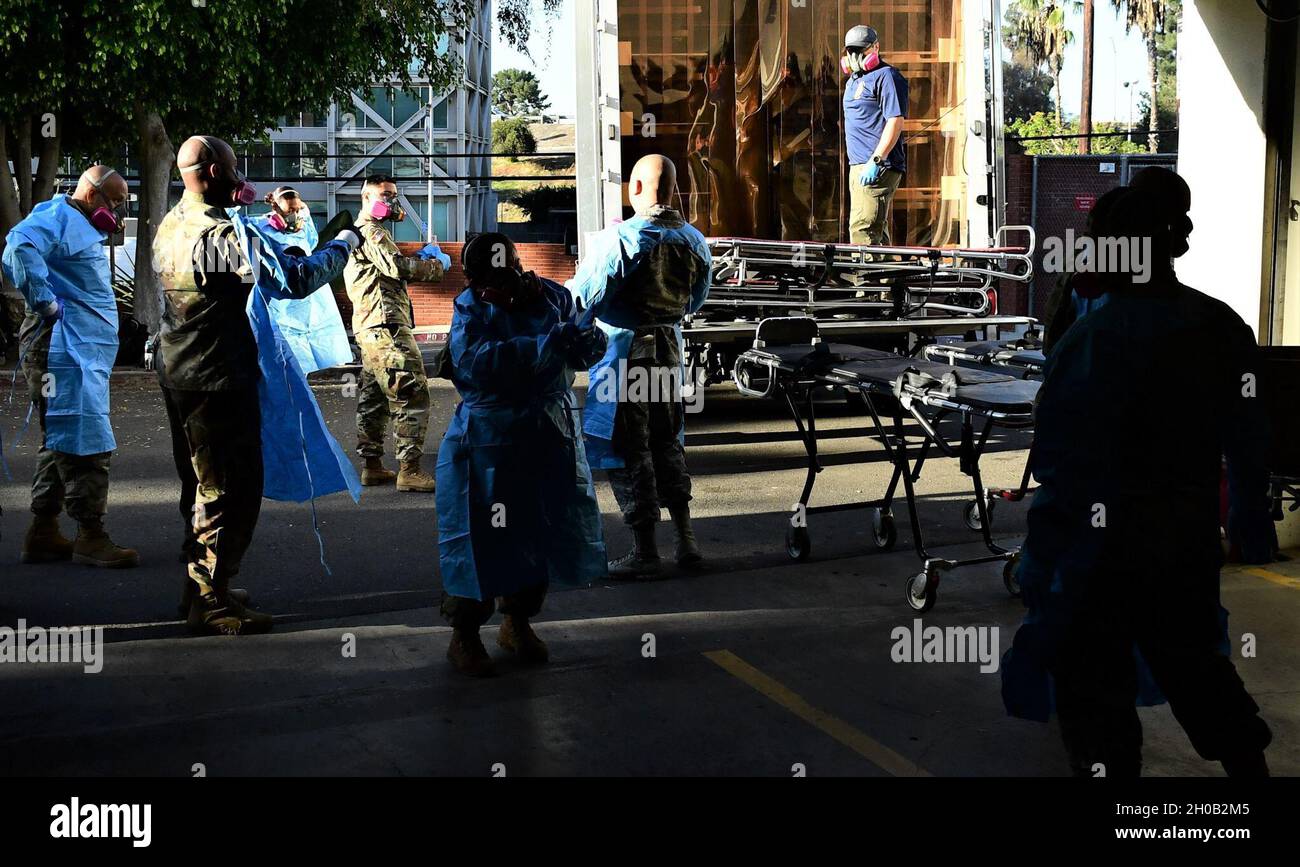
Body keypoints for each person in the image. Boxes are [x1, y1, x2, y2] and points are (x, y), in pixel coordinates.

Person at [1002, 174, 1274, 777]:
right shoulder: (1221, 327)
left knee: (1097, 701)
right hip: (1185, 541)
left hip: (1102, 553)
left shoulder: (1093, 341)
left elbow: (1063, 470)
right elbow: (1250, 437)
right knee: (1201, 673)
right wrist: (1249, 517)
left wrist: (1040, 559)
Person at [153, 135, 364, 636]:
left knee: (199, 485)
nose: (240, 178)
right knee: (231, 489)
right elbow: (293, 280)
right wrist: (343, 244)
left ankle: (200, 585)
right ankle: (212, 600)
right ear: (210, 174)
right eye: (231, 169)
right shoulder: (222, 236)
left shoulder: (172, 223)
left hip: (178, 370)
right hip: (217, 379)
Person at [435, 233, 608, 677]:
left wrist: (588, 341)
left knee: (537, 527)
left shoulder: (552, 297)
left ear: (519, 264)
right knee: (480, 534)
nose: (495, 288)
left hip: (546, 432)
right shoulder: (471, 308)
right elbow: (475, 362)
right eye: (484, 281)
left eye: (504, 274)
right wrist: (544, 345)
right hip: (488, 439)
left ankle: (517, 621)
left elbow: (587, 350)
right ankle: (466, 633)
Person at [571, 154, 711, 578]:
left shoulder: (621, 240)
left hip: (625, 356)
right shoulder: (695, 240)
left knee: (631, 450)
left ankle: (645, 550)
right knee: (668, 443)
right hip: (669, 350)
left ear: (634, 188)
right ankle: (687, 542)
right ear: (673, 188)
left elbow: (582, 300)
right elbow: (697, 300)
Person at [2, 165, 138, 568]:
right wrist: (45, 301)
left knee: (59, 436)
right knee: (86, 437)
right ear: (91, 194)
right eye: (113, 200)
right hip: (60, 350)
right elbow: (17, 248)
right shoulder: (57, 216)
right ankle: (90, 535)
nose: (116, 210)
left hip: (76, 351)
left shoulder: (75, 223)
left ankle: (43, 533)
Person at [343, 175, 448, 492]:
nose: (391, 201)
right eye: (385, 194)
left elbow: (388, 269)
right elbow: (397, 267)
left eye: (394, 195)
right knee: (411, 394)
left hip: (370, 326)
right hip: (385, 325)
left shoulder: (361, 233)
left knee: (373, 399)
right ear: (365, 196)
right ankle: (410, 471)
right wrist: (435, 264)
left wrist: (419, 255)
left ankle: (372, 467)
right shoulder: (371, 232)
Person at [253, 186, 352, 373]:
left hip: (314, 300)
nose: (295, 214)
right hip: (285, 303)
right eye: (290, 210)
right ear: (275, 208)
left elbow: (311, 241)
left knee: (323, 359)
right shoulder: (260, 228)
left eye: (297, 209)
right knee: (292, 366)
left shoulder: (304, 225)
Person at [841, 24, 908, 247]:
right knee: (876, 229)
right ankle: (887, 280)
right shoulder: (853, 81)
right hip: (858, 165)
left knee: (863, 228)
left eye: (862, 50)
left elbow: (895, 120)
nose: (855, 56)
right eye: (851, 51)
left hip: (877, 165)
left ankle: (864, 282)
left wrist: (876, 160)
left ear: (876, 47)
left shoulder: (887, 76)